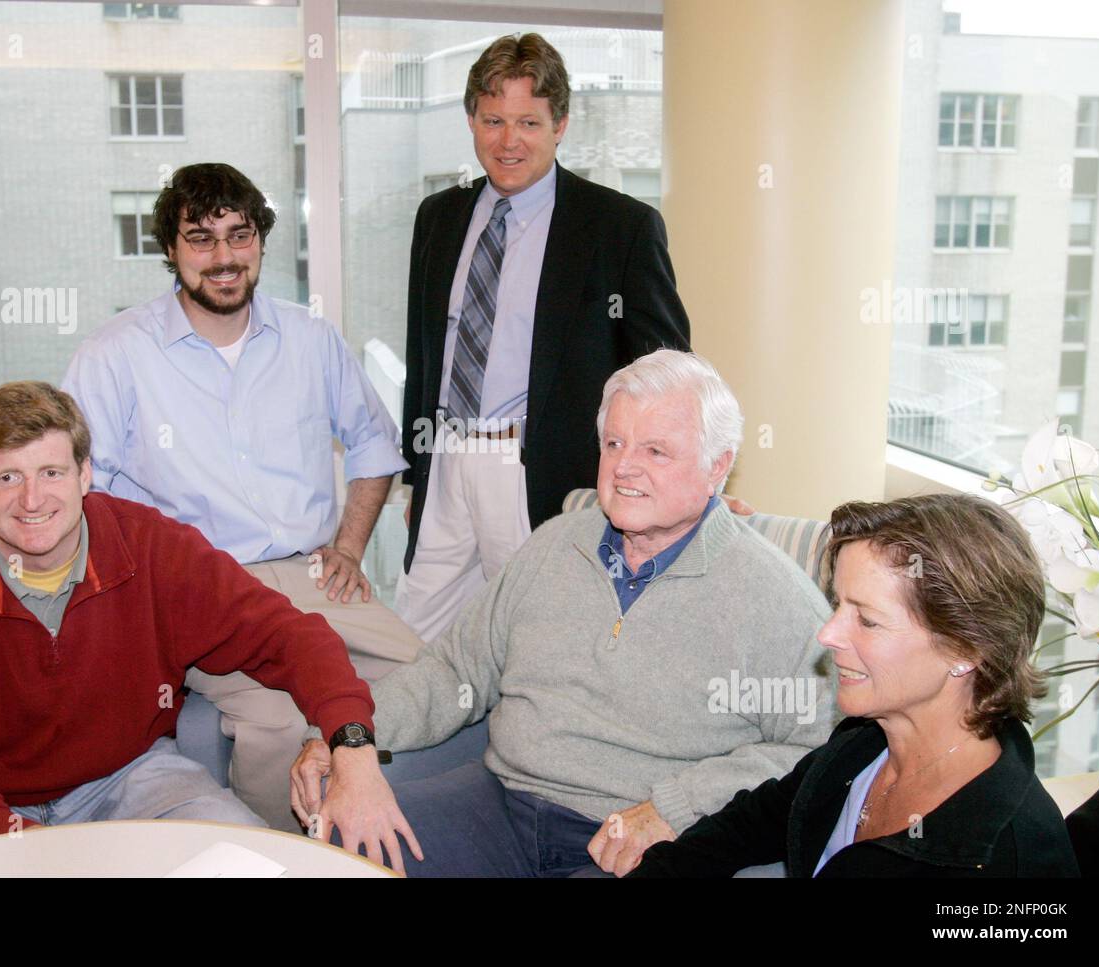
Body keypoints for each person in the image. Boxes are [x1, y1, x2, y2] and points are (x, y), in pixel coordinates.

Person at [294, 350, 833, 876]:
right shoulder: (553, 546)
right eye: (615, 443)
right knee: (336, 852)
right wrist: (349, 734)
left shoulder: (773, 597)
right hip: (500, 806)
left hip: (632, 843)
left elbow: (821, 753)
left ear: (718, 466)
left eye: (655, 451)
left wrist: (678, 805)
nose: (625, 468)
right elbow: (453, 671)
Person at [0, 382, 416, 867]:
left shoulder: (150, 547)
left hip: (133, 780)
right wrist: (37, 849)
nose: (31, 500)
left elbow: (289, 635)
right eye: (8, 477)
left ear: (85, 475)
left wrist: (352, 745)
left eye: (51, 472)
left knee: (250, 862)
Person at [62, 163, 422, 832]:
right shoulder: (115, 355)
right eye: (201, 238)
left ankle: (373, 831)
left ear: (260, 241)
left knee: (431, 678)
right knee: (277, 720)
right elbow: (86, 499)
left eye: (240, 234)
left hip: (314, 570)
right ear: (169, 248)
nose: (224, 257)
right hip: (203, 588)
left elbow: (376, 445)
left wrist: (348, 547)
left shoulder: (310, 339)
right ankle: (278, 864)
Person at [398, 32, 692, 643]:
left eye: (528, 121)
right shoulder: (438, 216)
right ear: (472, 121)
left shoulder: (620, 227)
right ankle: (398, 741)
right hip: (446, 459)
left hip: (541, 472)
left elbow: (665, 371)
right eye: (493, 120)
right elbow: (426, 352)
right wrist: (415, 473)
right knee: (417, 640)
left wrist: (681, 480)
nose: (509, 141)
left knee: (540, 642)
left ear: (560, 124)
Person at [630, 493, 1081, 877]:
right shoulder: (862, 747)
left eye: (867, 619)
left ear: (965, 649)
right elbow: (745, 826)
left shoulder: (1012, 856)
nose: (827, 634)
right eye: (838, 605)